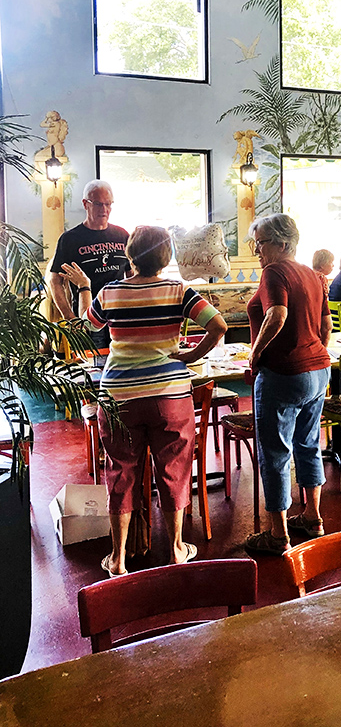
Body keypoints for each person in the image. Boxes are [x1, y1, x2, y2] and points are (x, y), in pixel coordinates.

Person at [61, 225, 228, 577]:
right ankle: (177, 549)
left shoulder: (110, 292)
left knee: (120, 472)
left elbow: (83, 327)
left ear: (130, 256)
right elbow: (219, 326)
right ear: (167, 256)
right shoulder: (180, 290)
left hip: (118, 395)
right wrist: (188, 355)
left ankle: (119, 559)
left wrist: (84, 288)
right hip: (169, 396)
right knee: (174, 471)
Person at [245, 214, 332, 556]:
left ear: (282, 244)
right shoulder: (313, 275)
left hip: (282, 374)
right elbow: (326, 326)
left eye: (262, 243)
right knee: (309, 444)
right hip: (317, 371)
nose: (257, 250)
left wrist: (255, 354)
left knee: (275, 453)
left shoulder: (275, 272)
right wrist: (315, 352)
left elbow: (276, 315)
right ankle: (312, 517)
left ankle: (278, 533)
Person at [49, 180, 129, 348]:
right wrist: (69, 316)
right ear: (86, 204)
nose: (104, 210)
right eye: (99, 204)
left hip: (121, 316)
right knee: (93, 368)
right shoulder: (70, 239)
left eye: (108, 204)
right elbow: (55, 281)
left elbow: (132, 275)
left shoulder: (122, 235)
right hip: (88, 319)